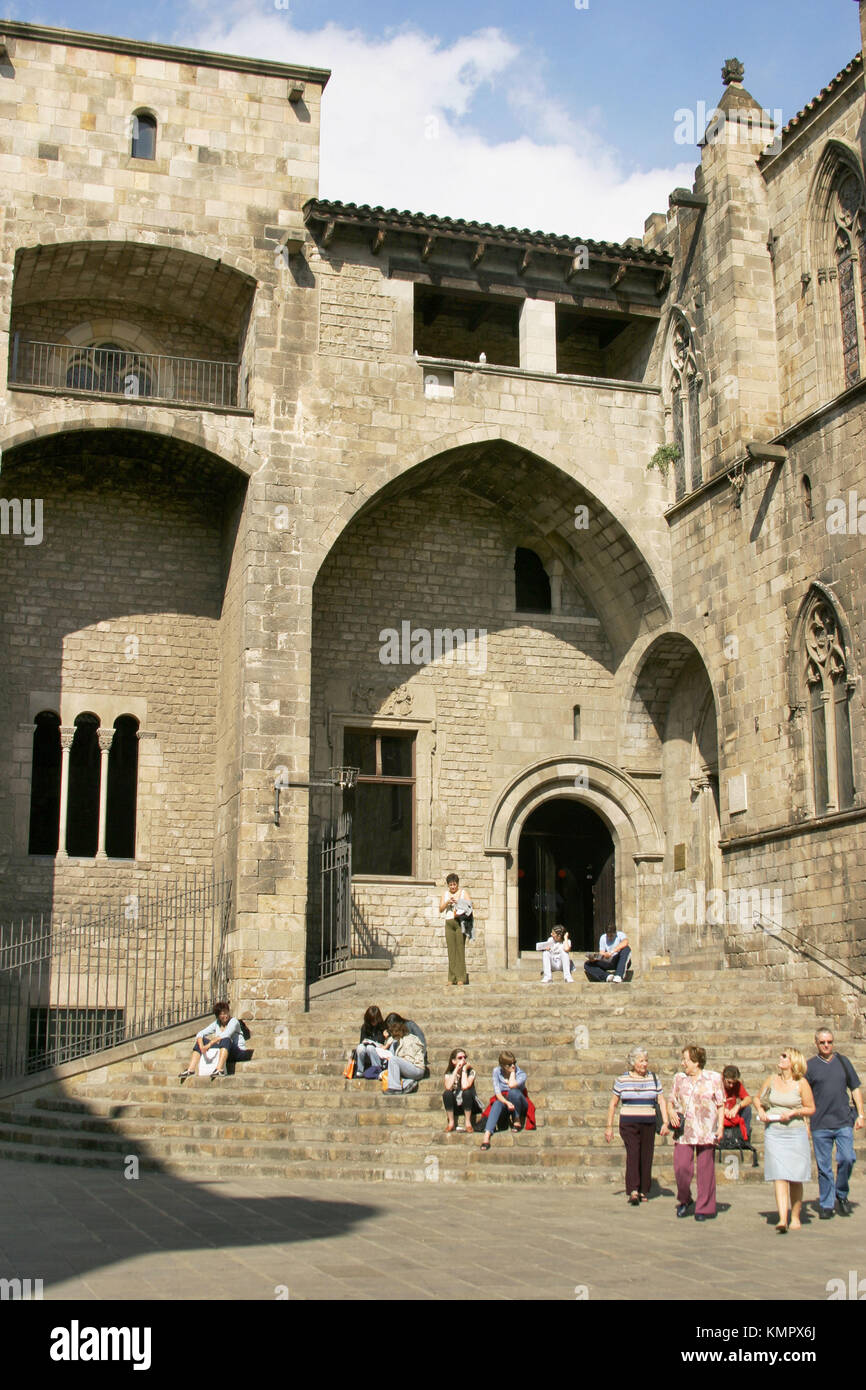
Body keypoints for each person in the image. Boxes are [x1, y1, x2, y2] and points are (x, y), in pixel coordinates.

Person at [805, 1026, 864, 1220]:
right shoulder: (810, 1066)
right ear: (816, 1043)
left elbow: (855, 1088)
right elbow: (804, 1096)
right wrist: (806, 1122)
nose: (826, 1045)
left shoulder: (843, 1062)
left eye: (829, 1042)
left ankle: (842, 1193)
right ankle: (827, 1203)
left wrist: (861, 1114)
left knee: (847, 1158)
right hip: (820, 1123)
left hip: (843, 1121)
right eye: (822, 1042)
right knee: (824, 1167)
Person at [755, 1047, 815, 1233]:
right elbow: (758, 1099)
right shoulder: (772, 1080)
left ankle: (795, 1216)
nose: (780, 1059)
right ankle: (782, 1218)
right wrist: (761, 1111)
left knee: (795, 1177)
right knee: (779, 1175)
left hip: (795, 1132)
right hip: (774, 1132)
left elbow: (810, 1108)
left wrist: (794, 1112)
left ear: (793, 1062)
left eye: (784, 1056)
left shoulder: (801, 1083)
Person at [605, 1046, 668, 1204]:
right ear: (633, 1062)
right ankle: (633, 1189)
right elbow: (613, 1103)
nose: (645, 1064)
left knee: (646, 1155)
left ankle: (643, 1190)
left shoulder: (654, 1078)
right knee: (633, 1153)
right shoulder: (622, 1080)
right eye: (641, 1061)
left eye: (646, 1060)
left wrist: (666, 1122)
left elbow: (661, 1100)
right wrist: (608, 1127)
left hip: (649, 1122)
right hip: (629, 1122)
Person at [668, 1044, 724, 1220]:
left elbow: (721, 1104)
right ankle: (685, 1199)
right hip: (685, 1130)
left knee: (706, 1170)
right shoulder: (679, 1078)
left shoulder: (714, 1078)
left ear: (696, 1061)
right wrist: (670, 1113)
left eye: (686, 1059)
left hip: (707, 1129)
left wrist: (721, 1126)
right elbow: (671, 1100)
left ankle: (704, 1207)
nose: (683, 1063)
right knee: (681, 1167)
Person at [178, 1002, 248, 1082]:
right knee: (201, 1040)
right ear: (218, 1016)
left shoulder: (234, 1021)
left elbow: (226, 1034)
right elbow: (200, 1033)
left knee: (226, 1039)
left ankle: (219, 1069)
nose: (224, 1016)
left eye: (226, 1013)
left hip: (238, 1052)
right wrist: (202, 1046)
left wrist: (209, 1045)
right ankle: (191, 1070)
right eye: (221, 1014)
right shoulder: (217, 1023)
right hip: (225, 1051)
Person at [480, 1050, 529, 1150]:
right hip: (505, 1100)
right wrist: (506, 1102)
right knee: (497, 1103)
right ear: (502, 1066)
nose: (513, 1066)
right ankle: (486, 1136)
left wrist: (512, 1073)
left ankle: (517, 1120)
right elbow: (497, 1093)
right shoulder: (496, 1071)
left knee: (513, 1092)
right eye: (509, 1064)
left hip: (519, 1101)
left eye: (514, 1063)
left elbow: (512, 1085)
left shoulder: (521, 1073)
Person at [439, 873, 472, 985]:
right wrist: (448, 902)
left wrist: (458, 903)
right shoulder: (445, 894)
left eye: (454, 884)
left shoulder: (463, 893)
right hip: (449, 923)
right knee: (451, 951)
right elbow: (440, 909)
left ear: (457, 884)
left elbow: (470, 907)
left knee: (460, 949)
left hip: (459, 923)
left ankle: (461, 978)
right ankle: (451, 978)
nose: (453, 887)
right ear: (448, 885)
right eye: (451, 885)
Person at [376, 1020, 426, 1094]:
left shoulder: (409, 1040)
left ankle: (395, 1088)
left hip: (417, 1068)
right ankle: (408, 1083)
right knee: (386, 1072)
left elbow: (410, 1060)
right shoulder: (399, 1041)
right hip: (409, 1068)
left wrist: (396, 1060)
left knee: (393, 1060)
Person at [443, 1047, 479, 1133]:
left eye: (464, 1057)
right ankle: (451, 1123)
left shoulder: (471, 1072)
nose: (463, 1060)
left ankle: (468, 1123)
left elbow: (465, 1086)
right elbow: (448, 1087)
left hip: (469, 1103)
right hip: (456, 1103)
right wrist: (456, 1070)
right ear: (453, 1061)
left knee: (466, 1092)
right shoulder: (449, 1073)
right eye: (460, 1058)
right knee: (447, 1093)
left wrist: (464, 1070)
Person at [354, 1004, 386, 1076]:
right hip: (366, 1054)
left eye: (374, 1020)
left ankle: (377, 1069)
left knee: (370, 1048)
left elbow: (382, 1041)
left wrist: (373, 1042)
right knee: (360, 1048)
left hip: (378, 1053)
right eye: (371, 1020)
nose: (373, 1022)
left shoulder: (383, 1027)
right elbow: (361, 1041)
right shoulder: (365, 1027)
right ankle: (360, 1070)